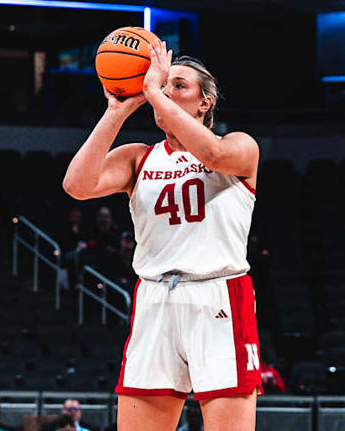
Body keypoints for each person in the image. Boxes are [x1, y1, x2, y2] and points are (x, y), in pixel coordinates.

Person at [63, 42, 262, 430]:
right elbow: (77, 185)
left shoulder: (238, 146)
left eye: (178, 85)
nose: (165, 90)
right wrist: (115, 111)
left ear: (205, 103)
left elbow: (215, 156)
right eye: (161, 84)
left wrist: (154, 92)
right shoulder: (139, 156)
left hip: (218, 294)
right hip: (155, 296)